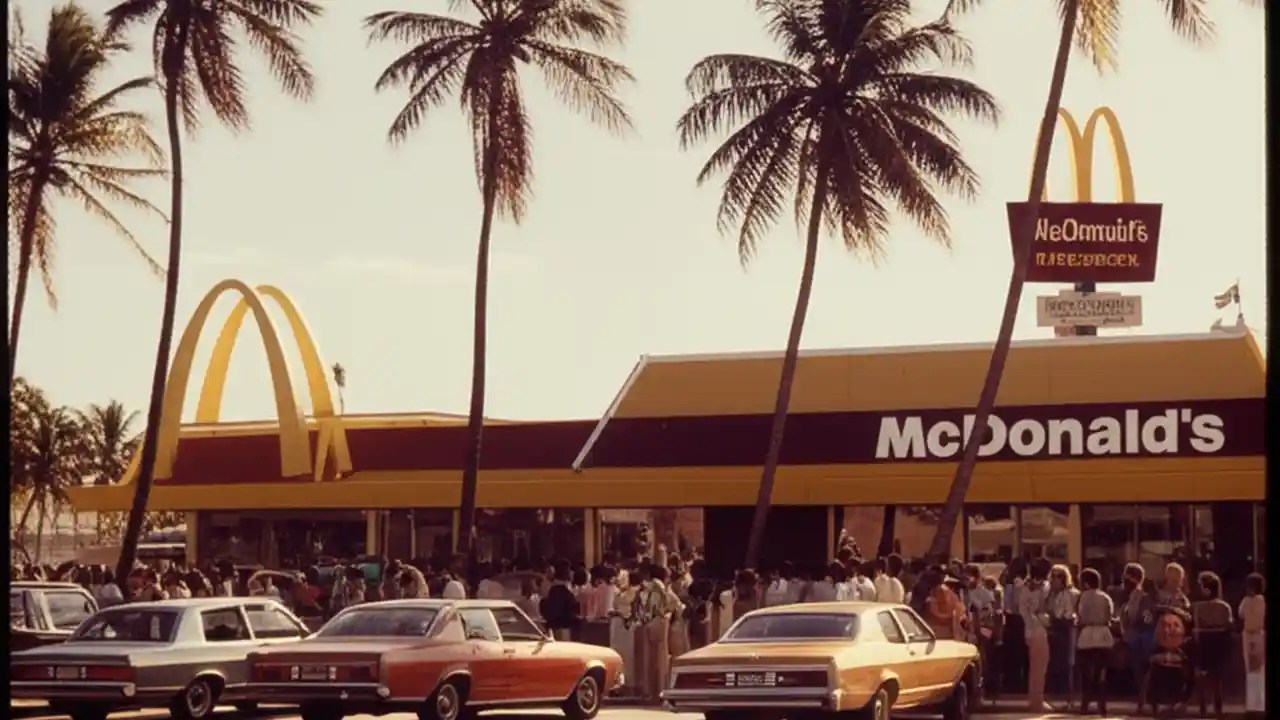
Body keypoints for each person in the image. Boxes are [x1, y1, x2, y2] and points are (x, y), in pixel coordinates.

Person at [1191, 571, 1233, 718]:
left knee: (1201, 678)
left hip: (1204, 642)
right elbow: (1229, 626)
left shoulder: (1198, 607)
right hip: (1219, 643)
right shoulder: (1225, 607)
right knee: (1217, 679)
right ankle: (1218, 709)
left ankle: (1203, 709)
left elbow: (1196, 627)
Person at [1074, 567, 1114, 717]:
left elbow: (1081, 615)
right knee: (1100, 673)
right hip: (1103, 636)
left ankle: (1085, 703)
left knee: (1087, 673)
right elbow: (1109, 615)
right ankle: (1102, 705)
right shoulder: (1105, 597)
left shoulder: (1083, 597)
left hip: (1087, 636)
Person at [1142, 608, 1193, 717]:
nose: (1168, 631)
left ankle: (1173, 704)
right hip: (1164, 669)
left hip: (1174, 670)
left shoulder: (1182, 655)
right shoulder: (1157, 653)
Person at [1018, 558, 1052, 713]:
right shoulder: (1038, 587)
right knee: (1039, 666)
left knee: (1036, 666)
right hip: (1038, 628)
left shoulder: (1027, 586)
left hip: (1033, 629)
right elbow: (1025, 611)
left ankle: (1035, 699)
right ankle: (1037, 700)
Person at [1121, 564, 1157, 705]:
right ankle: (1141, 693)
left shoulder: (1144, 598)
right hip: (1134, 636)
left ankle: (1144, 694)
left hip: (1144, 636)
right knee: (1136, 666)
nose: (1124, 584)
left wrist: (1136, 622)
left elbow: (1147, 619)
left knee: (1145, 665)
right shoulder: (1129, 599)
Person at [1045, 564, 1079, 707]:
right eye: (1052, 576)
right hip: (1054, 629)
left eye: (1058, 576)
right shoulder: (1051, 595)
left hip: (1067, 629)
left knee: (1068, 662)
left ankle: (1069, 695)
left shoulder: (1072, 593)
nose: (1053, 580)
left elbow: (1069, 614)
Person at [1239, 573, 1265, 716]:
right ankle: (1258, 703)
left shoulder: (1247, 601)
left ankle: (1253, 705)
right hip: (1258, 634)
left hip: (1250, 635)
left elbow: (1241, 614)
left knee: (1251, 669)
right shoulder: (1262, 601)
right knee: (1258, 669)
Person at [540, 566, 581, 642]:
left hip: (552, 628)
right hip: (563, 628)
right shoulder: (565, 592)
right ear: (566, 579)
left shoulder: (550, 591)